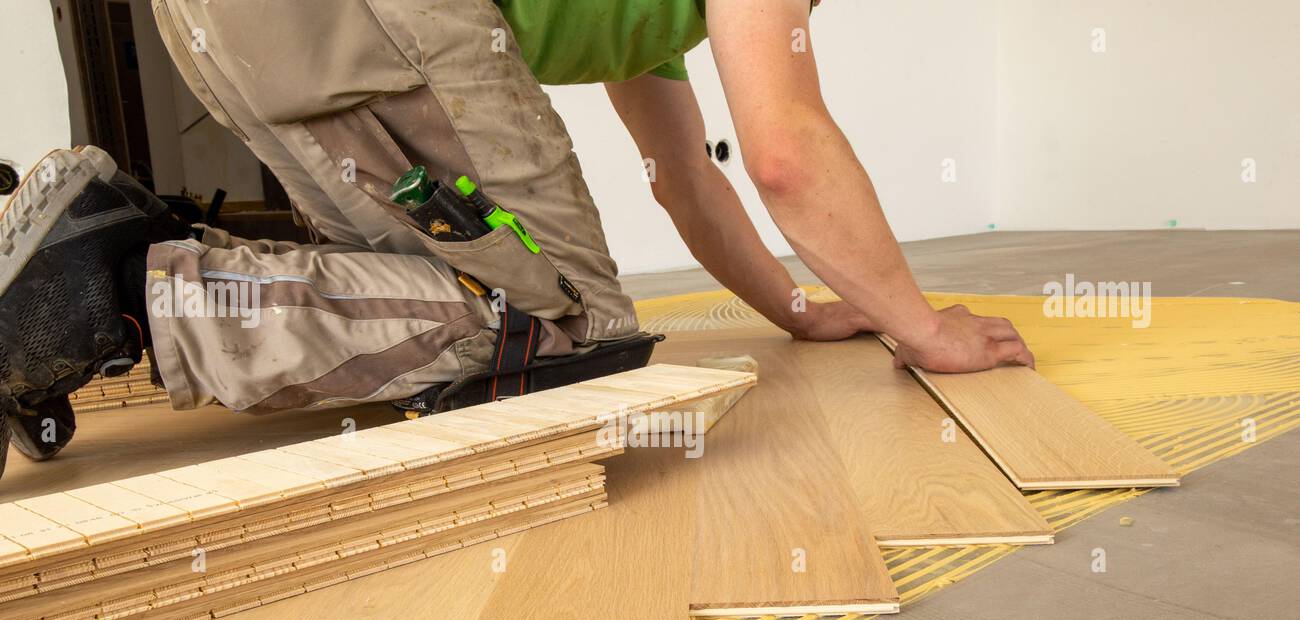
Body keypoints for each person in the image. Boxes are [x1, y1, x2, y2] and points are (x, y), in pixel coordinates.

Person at [0, 0, 1033, 478]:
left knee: (423, 282)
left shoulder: (638, 18)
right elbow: (786, 154)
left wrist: (800, 308)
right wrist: (922, 327)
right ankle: (112, 283)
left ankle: (96, 256)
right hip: (368, 17)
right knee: (550, 329)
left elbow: (686, 173)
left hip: (249, 22)